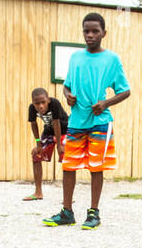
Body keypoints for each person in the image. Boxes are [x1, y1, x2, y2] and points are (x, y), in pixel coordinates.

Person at [43, 13, 131, 230]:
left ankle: (94, 213)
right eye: (86, 31)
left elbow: (125, 91)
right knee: (69, 166)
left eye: (95, 31)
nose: (90, 35)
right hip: (76, 122)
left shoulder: (111, 59)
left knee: (96, 167)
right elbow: (67, 85)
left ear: (104, 33)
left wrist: (106, 103)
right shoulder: (75, 58)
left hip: (100, 121)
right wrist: (66, 94)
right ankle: (66, 212)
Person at [25, 87, 69, 201]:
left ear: (48, 100)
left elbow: (57, 123)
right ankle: (38, 192)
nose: (40, 106)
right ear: (33, 103)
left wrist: (59, 145)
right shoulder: (32, 108)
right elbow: (33, 124)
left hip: (64, 130)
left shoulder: (54, 103)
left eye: (43, 102)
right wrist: (38, 143)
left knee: (66, 159)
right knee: (36, 155)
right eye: (37, 103)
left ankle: (67, 197)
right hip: (49, 131)